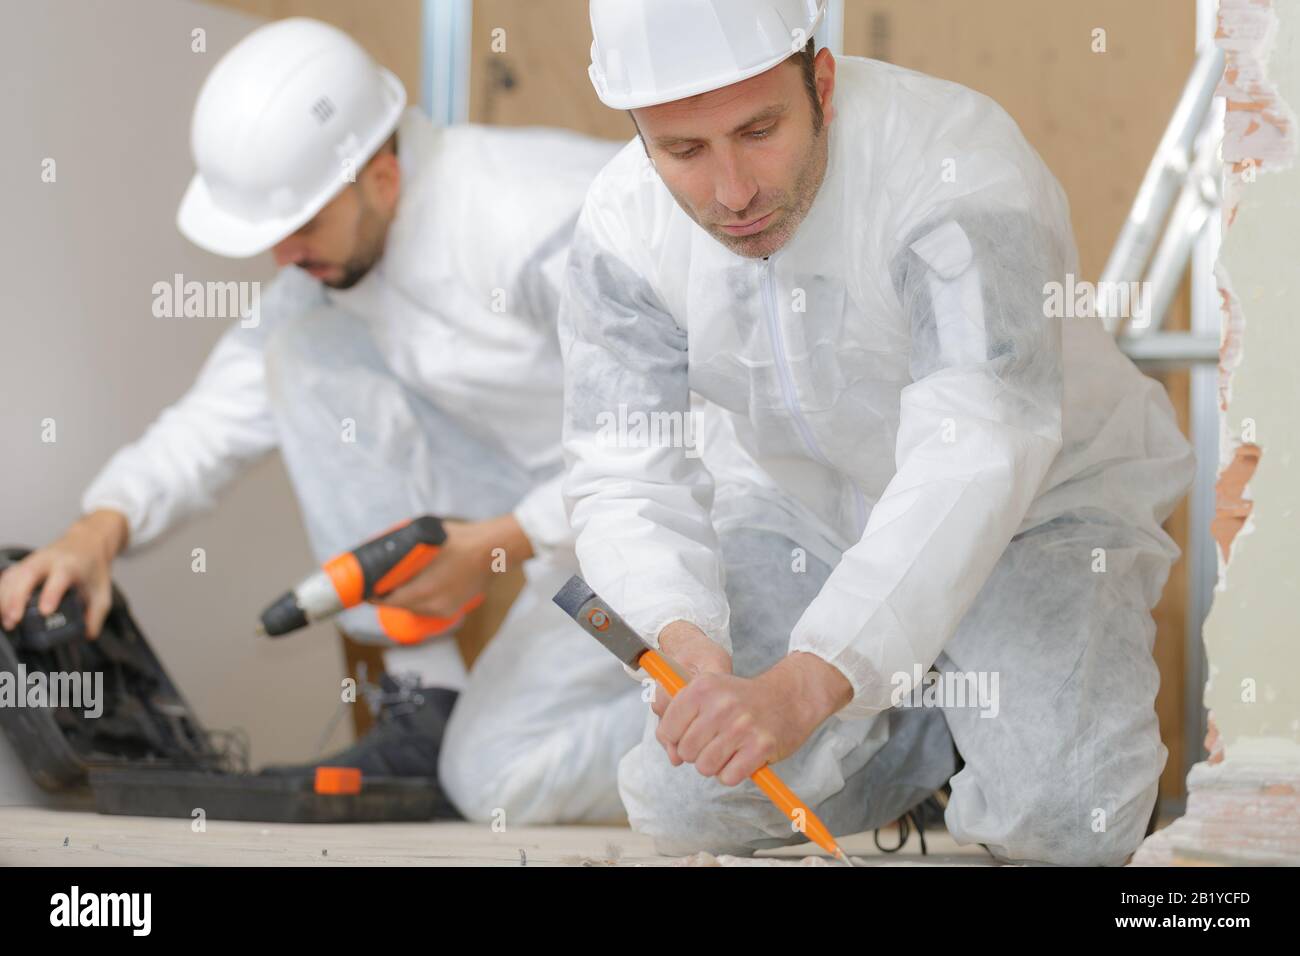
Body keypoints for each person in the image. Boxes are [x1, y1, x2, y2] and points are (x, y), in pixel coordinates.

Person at [559, 0, 1195, 864]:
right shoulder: (620, 229)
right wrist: (687, 649)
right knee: (691, 801)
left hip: (1038, 509)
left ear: (820, 80)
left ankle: (956, 709)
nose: (733, 191)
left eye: (759, 129)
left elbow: (979, 446)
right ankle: (926, 730)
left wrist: (806, 683)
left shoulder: (953, 168)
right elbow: (621, 471)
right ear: (638, 134)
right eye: (683, 151)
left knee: (1058, 825)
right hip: (801, 521)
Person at [0, 17, 644, 824]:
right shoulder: (339, 266)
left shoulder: (535, 219)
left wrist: (503, 539)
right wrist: (101, 527)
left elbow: (688, 428)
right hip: (569, 523)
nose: (283, 256)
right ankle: (427, 695)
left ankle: (798, 723)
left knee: (509, 776)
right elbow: (225, 406)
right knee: (299, 358)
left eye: (299, 227)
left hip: (692, 517)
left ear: (379, 176)